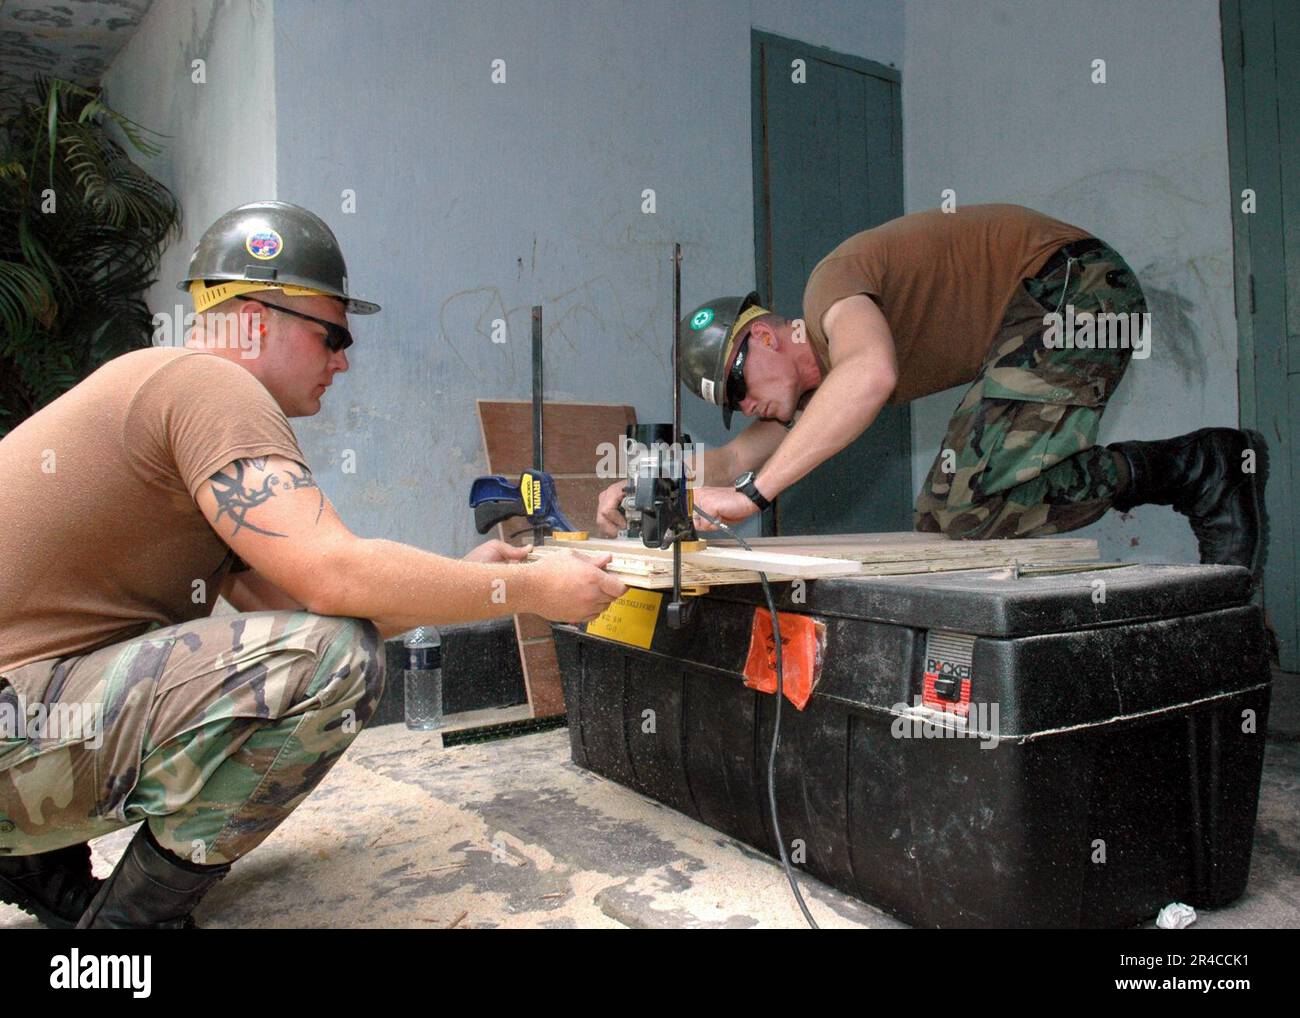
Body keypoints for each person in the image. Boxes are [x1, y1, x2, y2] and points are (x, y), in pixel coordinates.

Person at [0, 201, 625, 929]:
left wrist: (479, 575)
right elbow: (334, 598)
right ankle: (129, 930)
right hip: (21, 721)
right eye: (332, 336)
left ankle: (37, 862)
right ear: (258, 318)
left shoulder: (160, 390)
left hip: (27, 717)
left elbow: (319, 605)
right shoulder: (210, 385)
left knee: (328, 645)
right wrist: (533, 588)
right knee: (339, 663)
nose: (342, 360)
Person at [596, 204, 1265, 574]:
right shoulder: (823, 380)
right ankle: (1194, 468)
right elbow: (736, 457)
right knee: (955, 517)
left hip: (1074, 287)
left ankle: (1197, 466)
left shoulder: (831, 293)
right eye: (732, 404)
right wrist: (648, 488)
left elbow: (873, 375)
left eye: (739, 385)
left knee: (965, 498)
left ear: (766, 338)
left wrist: (751, 500)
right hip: (1040, 314)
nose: (744, 407)